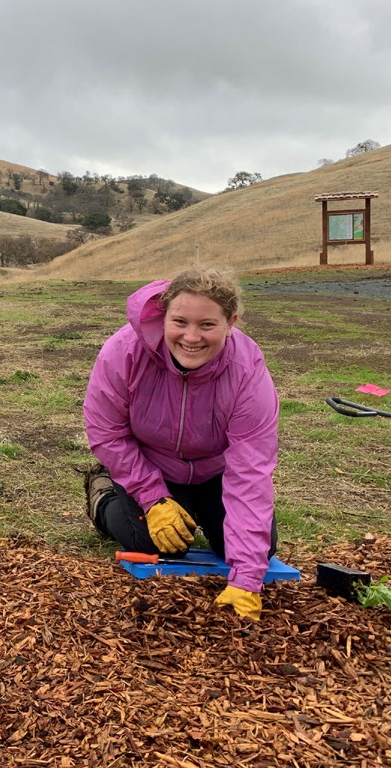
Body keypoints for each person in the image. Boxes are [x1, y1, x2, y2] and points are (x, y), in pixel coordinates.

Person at [82, 266, 279, 621]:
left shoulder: (247, 369)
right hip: (152, 466)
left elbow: (250, 470)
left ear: (231, 322)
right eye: (180, 322)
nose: (191, 337)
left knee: (260, 551)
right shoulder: (123, 351)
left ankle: (202, 511)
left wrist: (248, 579)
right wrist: (154, 498)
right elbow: (106, 431)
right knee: (148, 540)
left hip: (215, 470)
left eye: (207, 325)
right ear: (163, 315)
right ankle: (104, 495)